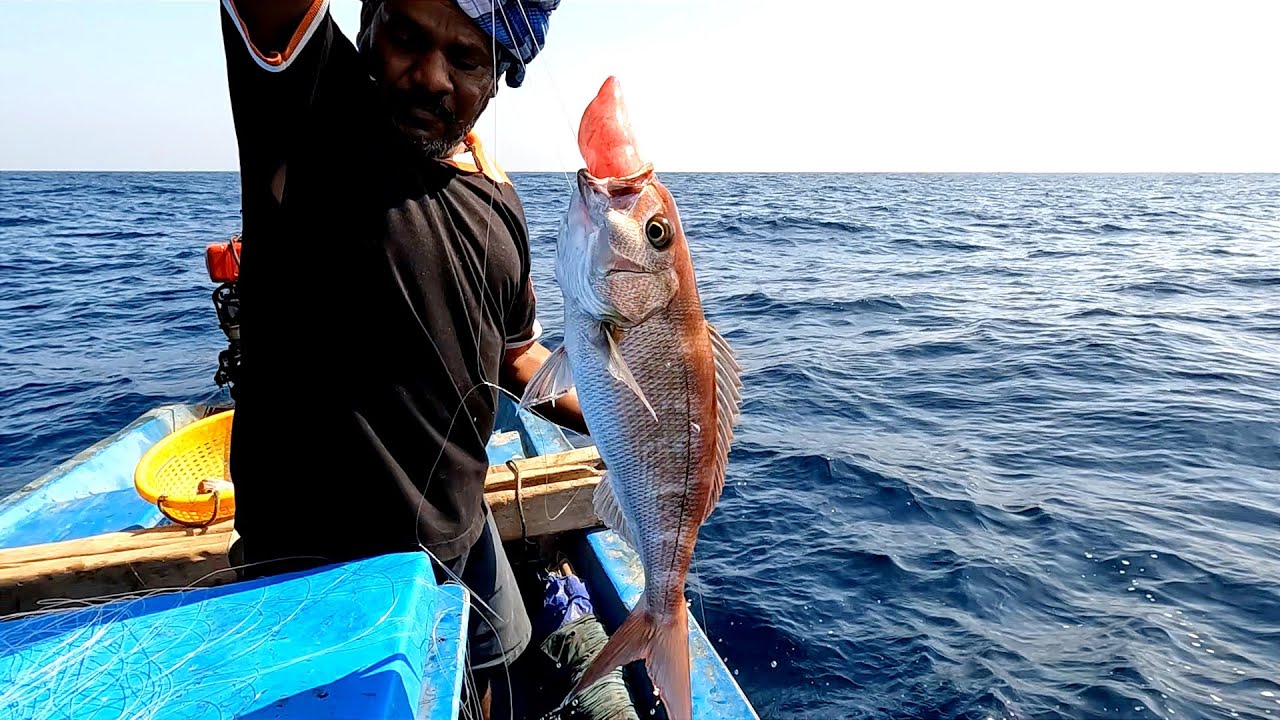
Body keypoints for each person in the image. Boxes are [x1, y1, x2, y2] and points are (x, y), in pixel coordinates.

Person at [215, 0, 583, 716]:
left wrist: (635, 421)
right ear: (367, 31)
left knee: (492, 680)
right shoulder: (315, 114)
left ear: (498, 77)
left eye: (467, 59)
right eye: (407, 38)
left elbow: (517, 361)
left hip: (460, 545)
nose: (432, 77)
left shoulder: (500, 204)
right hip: (314, 583)